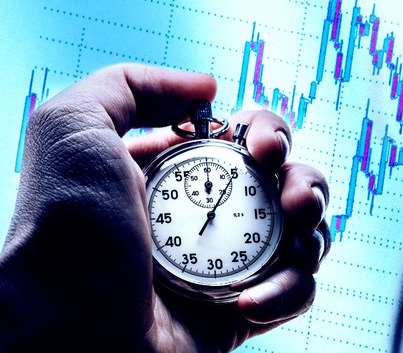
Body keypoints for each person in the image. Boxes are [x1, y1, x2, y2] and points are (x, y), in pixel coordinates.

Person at [0, 64, 330, 352]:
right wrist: (36, 289)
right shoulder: (141, 185)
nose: (210, 213)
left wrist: (26, 313)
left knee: (295, 210)